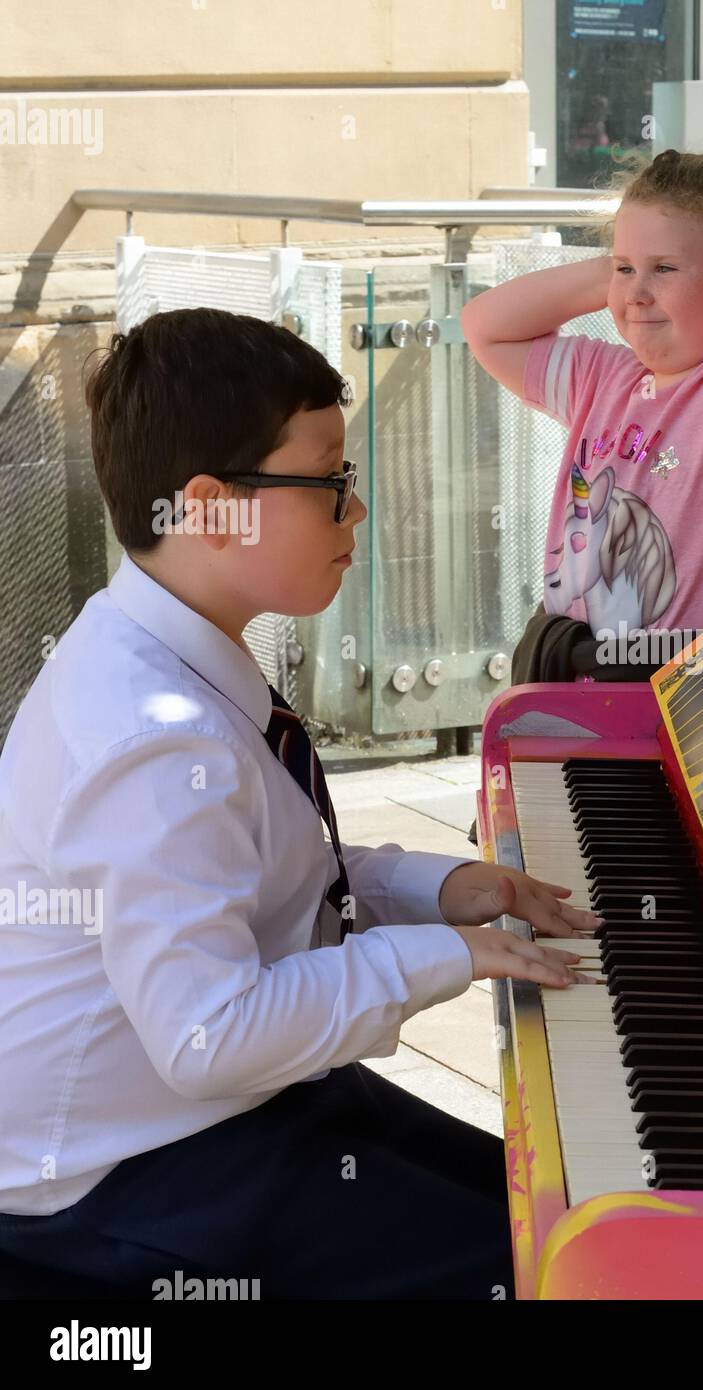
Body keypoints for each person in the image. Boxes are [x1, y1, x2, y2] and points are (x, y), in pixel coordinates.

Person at [0, 308, 597, 1299]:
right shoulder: (149, 734)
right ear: (212, 507)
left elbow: (259, 872)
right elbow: (207, 1036)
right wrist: (441, 958)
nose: (356, 514)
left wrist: (438, 889)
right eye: (331, 482)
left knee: (563, 1221)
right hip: (114, 1181)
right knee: (545, 1276)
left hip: (222, 1102)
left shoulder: (169, 648)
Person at [463, 148, 703, 686]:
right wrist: (617, 272)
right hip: (564, 671)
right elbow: (485, 325)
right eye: (624, 268)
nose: (636, 294)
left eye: (665, 269)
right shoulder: (603, 376)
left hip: (687, 692)